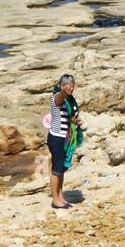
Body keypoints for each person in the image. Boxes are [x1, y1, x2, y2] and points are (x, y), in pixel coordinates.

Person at [47, 74, 84, 209]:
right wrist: (63, 91)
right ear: (62, 86)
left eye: (73, 85)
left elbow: (69, 116)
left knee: (62, 169)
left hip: (66, 138)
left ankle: (60, 195)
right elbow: (59, 98)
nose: (71, 88)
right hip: (57, 138)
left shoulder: (70, 99)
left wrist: (76, 121)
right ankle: (55, 199)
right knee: (56, 169)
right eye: (68, 85)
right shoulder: (58, 96)